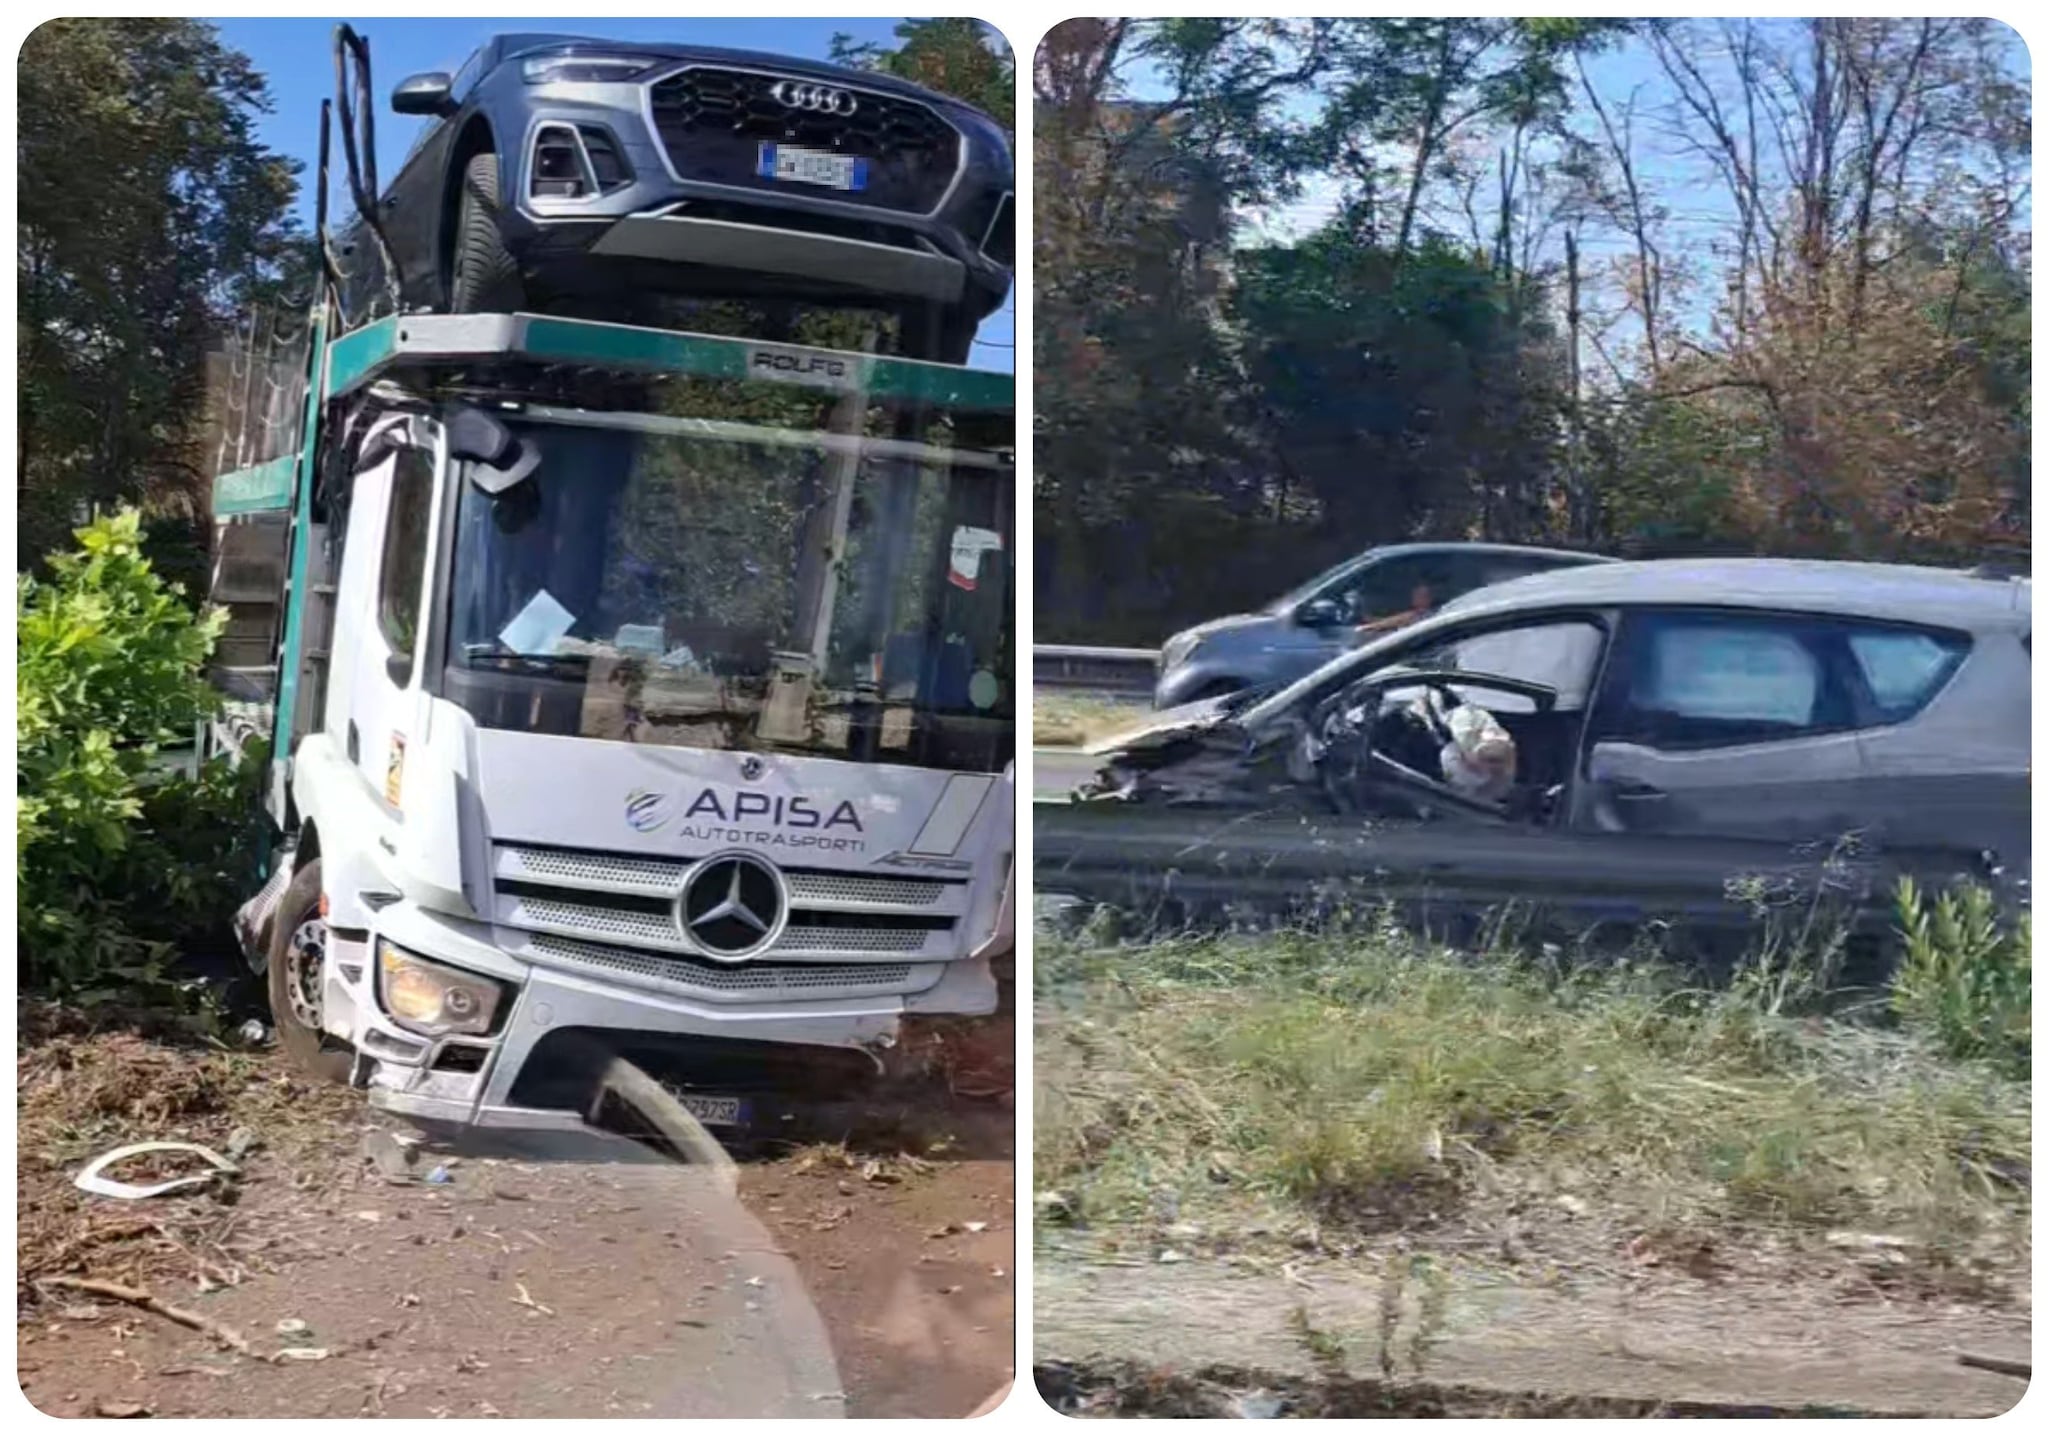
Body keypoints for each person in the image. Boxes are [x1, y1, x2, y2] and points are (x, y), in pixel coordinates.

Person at [1355, 580, 1435, 639]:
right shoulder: (1413, 613)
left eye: (1423, 595)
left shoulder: (1428, 614)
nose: (1416, 597)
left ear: (1430, 598)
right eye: (1416, 594)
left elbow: (1403, 619)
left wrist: (1370, 626)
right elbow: (1394, 620)